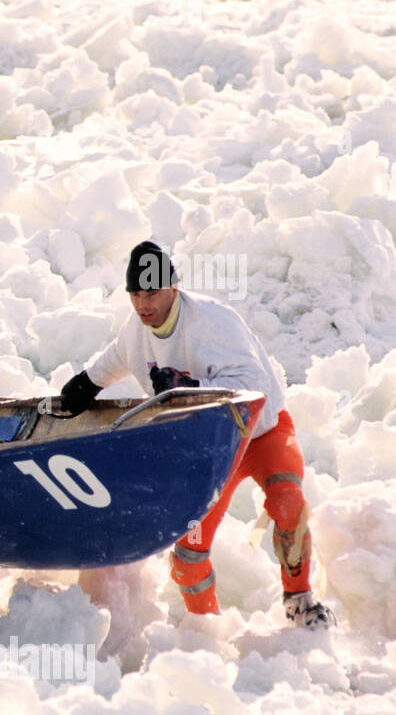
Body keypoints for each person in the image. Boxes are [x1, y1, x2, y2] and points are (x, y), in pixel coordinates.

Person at [59, 241, 335, 629]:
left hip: (260, 434)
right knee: (187, 557)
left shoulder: (212, 321)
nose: (143, 304)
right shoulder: (135, 332)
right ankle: (206, 632)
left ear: (173, 288)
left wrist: (187, 384)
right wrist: (83, 386)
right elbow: (111, 362)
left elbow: (253, 384)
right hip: (209, 452)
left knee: (288, 505)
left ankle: (302, 603)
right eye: (135, 295)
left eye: (152, 292)